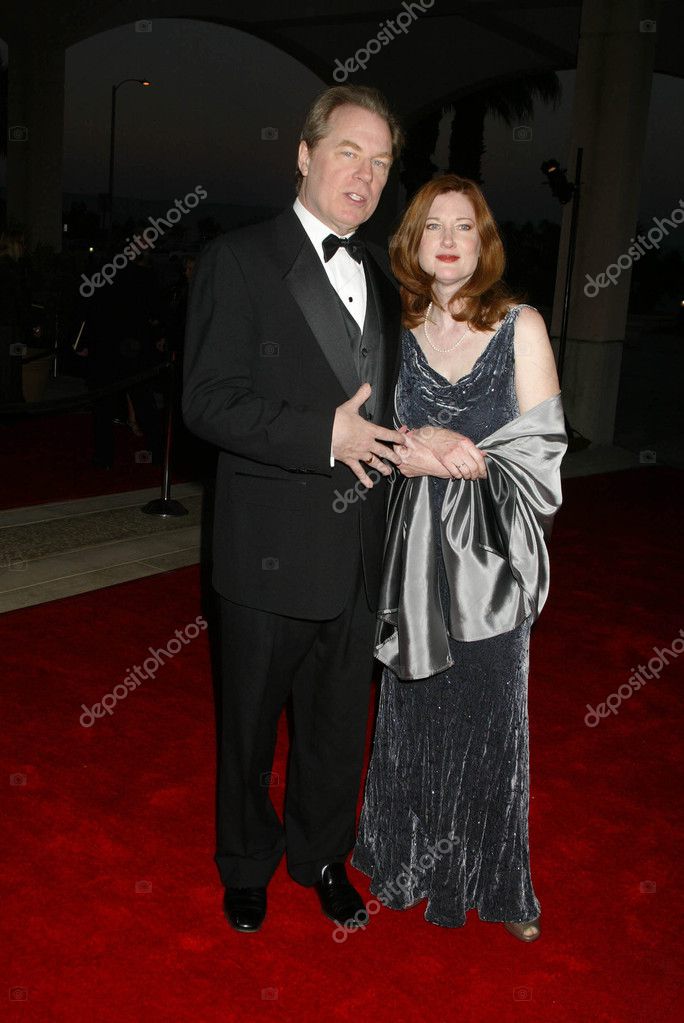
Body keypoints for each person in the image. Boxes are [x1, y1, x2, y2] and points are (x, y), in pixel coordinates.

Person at [182, 85, 406, 934]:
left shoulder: (381, 272)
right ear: (305, 155)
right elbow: (206, 401)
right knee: (247, 725)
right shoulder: (240, 258)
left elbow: (386, 404)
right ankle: (246, 862)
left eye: (381, 161)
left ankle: (321, 857)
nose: (366, 173)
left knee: (337, 726)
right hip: (266, 548)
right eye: (349, 151)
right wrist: (325, 434)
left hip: (359, 547)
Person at [352, 174, 567, 942]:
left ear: (483, 242)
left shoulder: (522, 325)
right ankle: (404, 859)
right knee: (413, 712)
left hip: (491, 563)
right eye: (433, 224)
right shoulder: (392, 327)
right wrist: (419, 445)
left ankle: (497, 878)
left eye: (465, 226)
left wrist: (451, 451)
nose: (448, 238)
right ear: (411, 240)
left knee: (488, 719)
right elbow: (367, 432)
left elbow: (541, 463)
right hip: (411, 562)